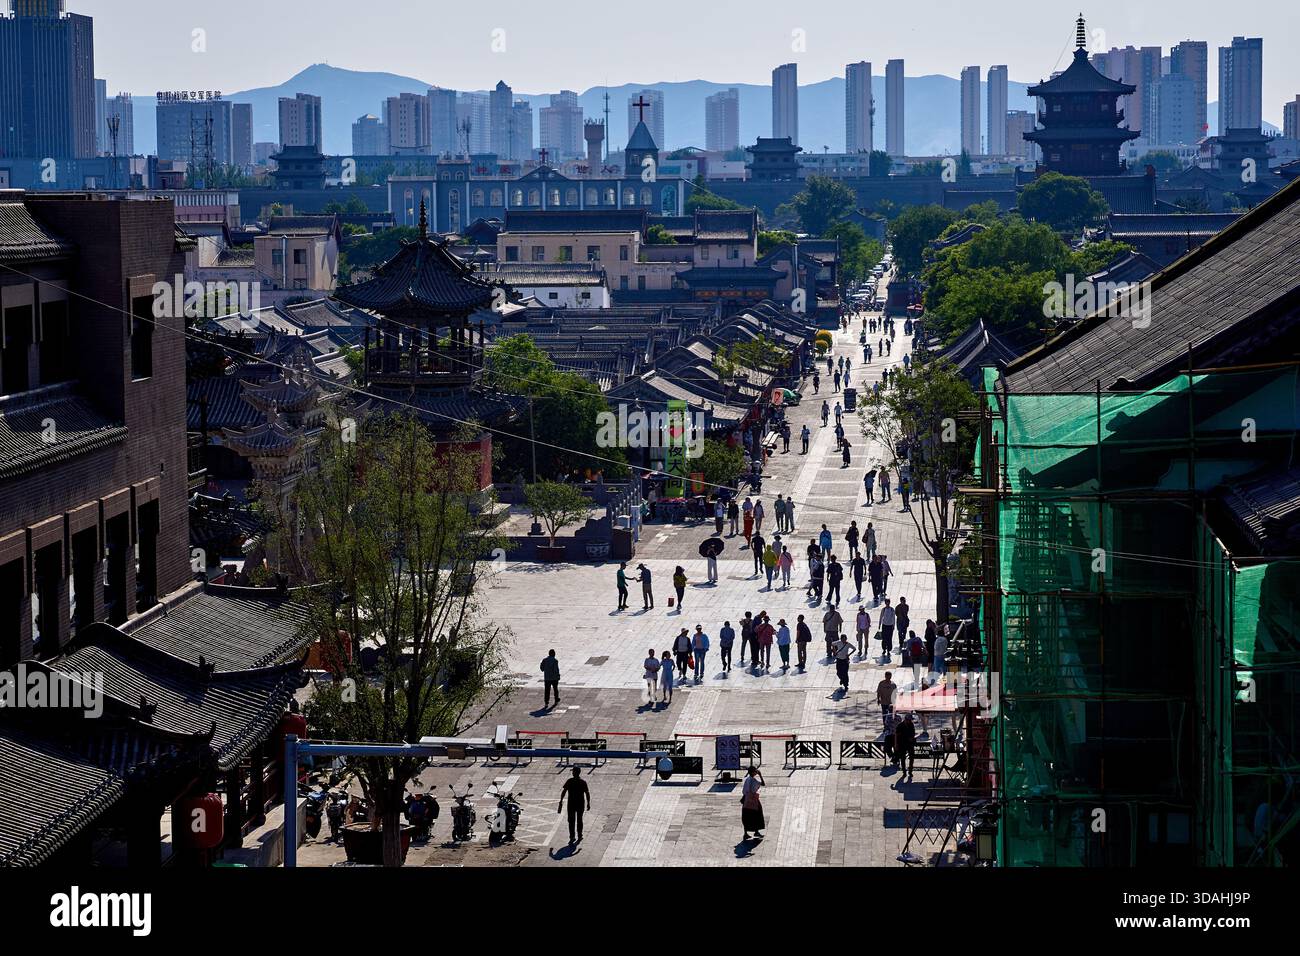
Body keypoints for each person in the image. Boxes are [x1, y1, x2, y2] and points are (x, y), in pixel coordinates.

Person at [557, 767, 591, 846]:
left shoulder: (570, 781)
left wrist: (561, 800)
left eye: (573, 772)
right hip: (580, 804)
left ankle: (572, 837)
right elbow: (587, 793)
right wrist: (588, 803)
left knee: (571, 821)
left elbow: (564, 791)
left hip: (571, 804)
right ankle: (580, 835)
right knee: (579, 820)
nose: (572, 773)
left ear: (574, 773)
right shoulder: (583, 782)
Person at [741, 766, 766, 840]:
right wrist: (760, 775)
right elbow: (763, 784)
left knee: (746, 816)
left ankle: (745, 833)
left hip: (745, 799)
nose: (756, 772)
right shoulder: (753, 780)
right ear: (752, 772)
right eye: (755, 771)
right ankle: (756, 831)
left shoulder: (747, 779)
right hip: (752, 799)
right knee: (757, 814)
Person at [894, 713, 917, 778]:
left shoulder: (911, 724)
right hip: (902, 743)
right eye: (909, 720)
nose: (910, 721)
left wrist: (912, 738)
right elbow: (896, 735)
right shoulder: (900, 725)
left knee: (912, 757)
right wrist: (896, 744)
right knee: (902, 758)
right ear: (906, 719)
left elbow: (913, 733)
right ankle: (904, 771)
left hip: (910, 744)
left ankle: (910, 771)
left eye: (910, 720)